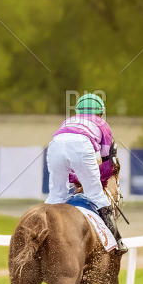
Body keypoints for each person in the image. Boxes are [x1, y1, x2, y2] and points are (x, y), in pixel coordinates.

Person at [46, 92, 126, 253]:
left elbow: (69, 167)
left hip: (54, 144)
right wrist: (89, 181)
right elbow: (105, 164)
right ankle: (117, 242)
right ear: (100, 112)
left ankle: (44, 235)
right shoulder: (102, 124)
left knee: (56, 195)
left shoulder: (68, 121)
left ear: (78, 111)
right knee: (97, 196)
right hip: (82, 145)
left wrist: (76, 179)